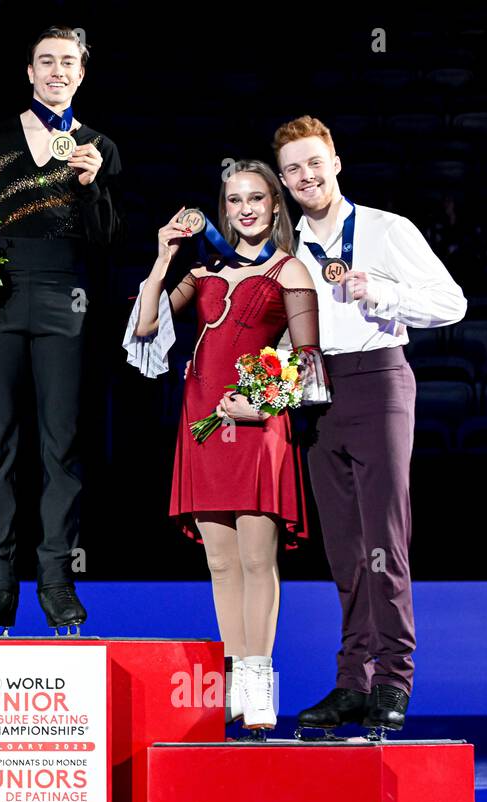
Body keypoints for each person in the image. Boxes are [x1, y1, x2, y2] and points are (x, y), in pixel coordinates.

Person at [273, 116, 466, 737]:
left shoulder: (387, 229)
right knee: (344, 546)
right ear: (284, 180)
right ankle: (353, 681)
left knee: (385, 536)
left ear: (336, 162)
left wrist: (382, 292)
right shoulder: (289, 249)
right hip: (315, 392)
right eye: (293, 169)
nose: (307, 176)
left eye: (315, 162)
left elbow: (452, 303)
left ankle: (394, 679)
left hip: (379, 380)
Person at [123, 160, 329, 735]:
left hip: (259, 426)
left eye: (257, 199)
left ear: (274, 206)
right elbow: (145, 330)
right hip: (202, 420)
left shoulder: (291, 273)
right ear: (225, 209)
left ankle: (260, 679)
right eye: (234, 200)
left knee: (258, 557)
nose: (245, 209)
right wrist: (164, 259)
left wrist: (263, 404)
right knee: (218, 560)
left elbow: (309, 364)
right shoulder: (206, 269)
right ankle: (236, 673)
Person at [0, 26, 121, 636]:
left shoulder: (98, 145)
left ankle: (56, 582)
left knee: (62, 446)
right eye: (46, 60)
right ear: (29, 71)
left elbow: (108, 238)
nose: (57, 70)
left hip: (66, 302)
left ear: (82, 73)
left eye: (68, 62)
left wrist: (92, 182)